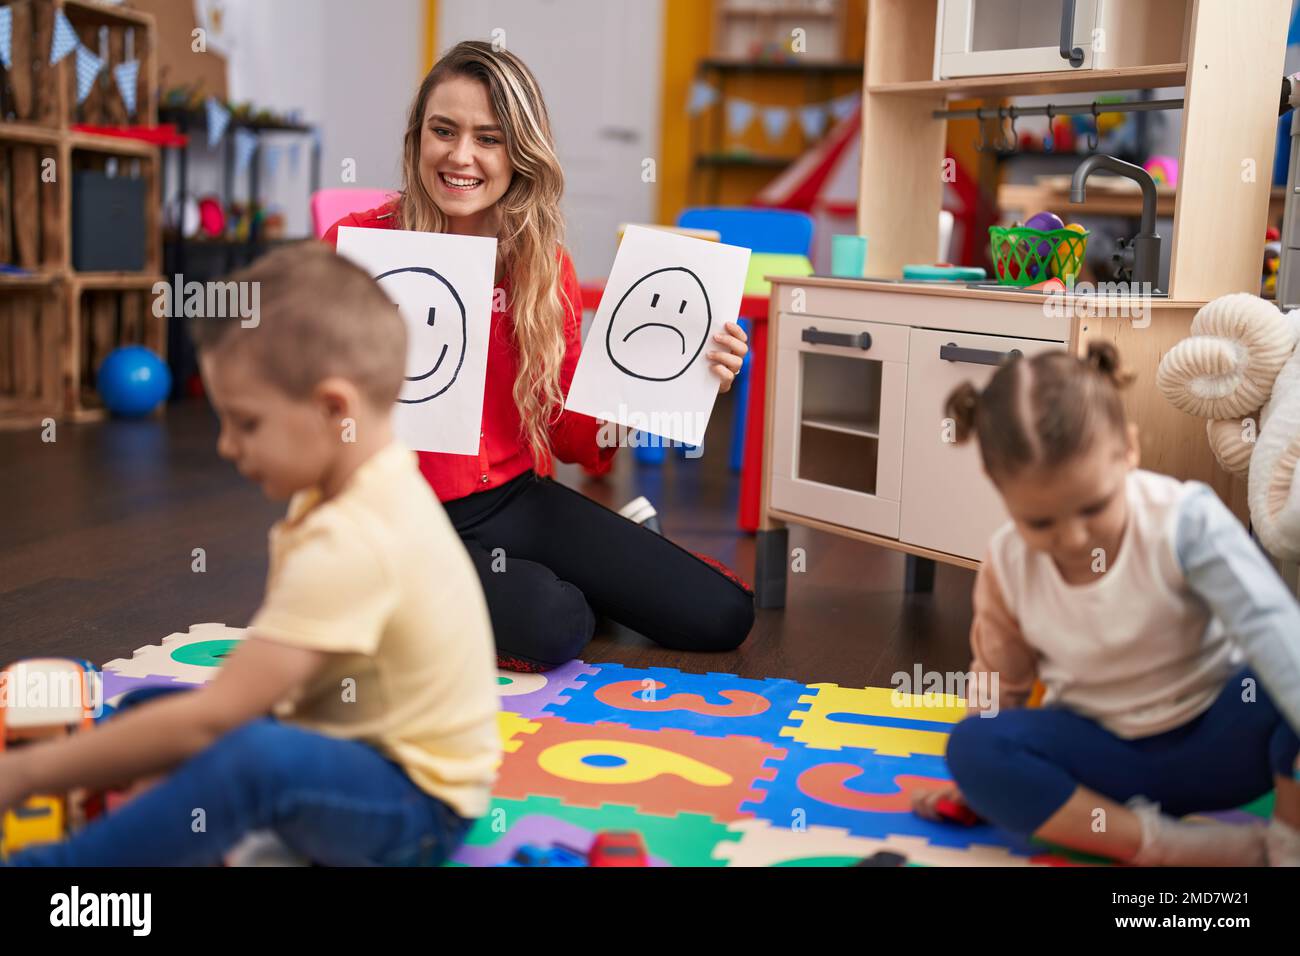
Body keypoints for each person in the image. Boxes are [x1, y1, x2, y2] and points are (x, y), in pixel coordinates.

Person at [1, 245, 500, 866]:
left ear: (332, 408)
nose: (226, 446)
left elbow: (222, 720)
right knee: (146, 711)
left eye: (246, 423)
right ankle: (138, 815)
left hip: (416, 813)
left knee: (239, 755)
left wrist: (25, 777)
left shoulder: (356, 538)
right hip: (343, 747)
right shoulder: (354, 482)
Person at [324, 41, 754, 672]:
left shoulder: (539, 265)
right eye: (443, 131)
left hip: (514, 499)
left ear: (518, 152)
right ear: (418, 138)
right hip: (395, 518)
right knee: (556, 622)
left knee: (724, 614)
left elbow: (575, 437)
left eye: (488, 138)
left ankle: (497, 591)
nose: (461, 156)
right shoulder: (357, 245)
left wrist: (665, 378)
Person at [912, 342, 1300, 866]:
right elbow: (999, 682)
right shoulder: (1007, 562)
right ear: (999, 489)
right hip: (1100, 766)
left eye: (1094, 507)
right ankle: (1172, 848)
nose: (1072, 539)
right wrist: (982, 784)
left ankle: (1285, 845)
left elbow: (1269, 626)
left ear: (1129, 451)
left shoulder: (1185, 520)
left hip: (1224, 745)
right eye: (1041, 523)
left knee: (1289, 666)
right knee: (972, 746)